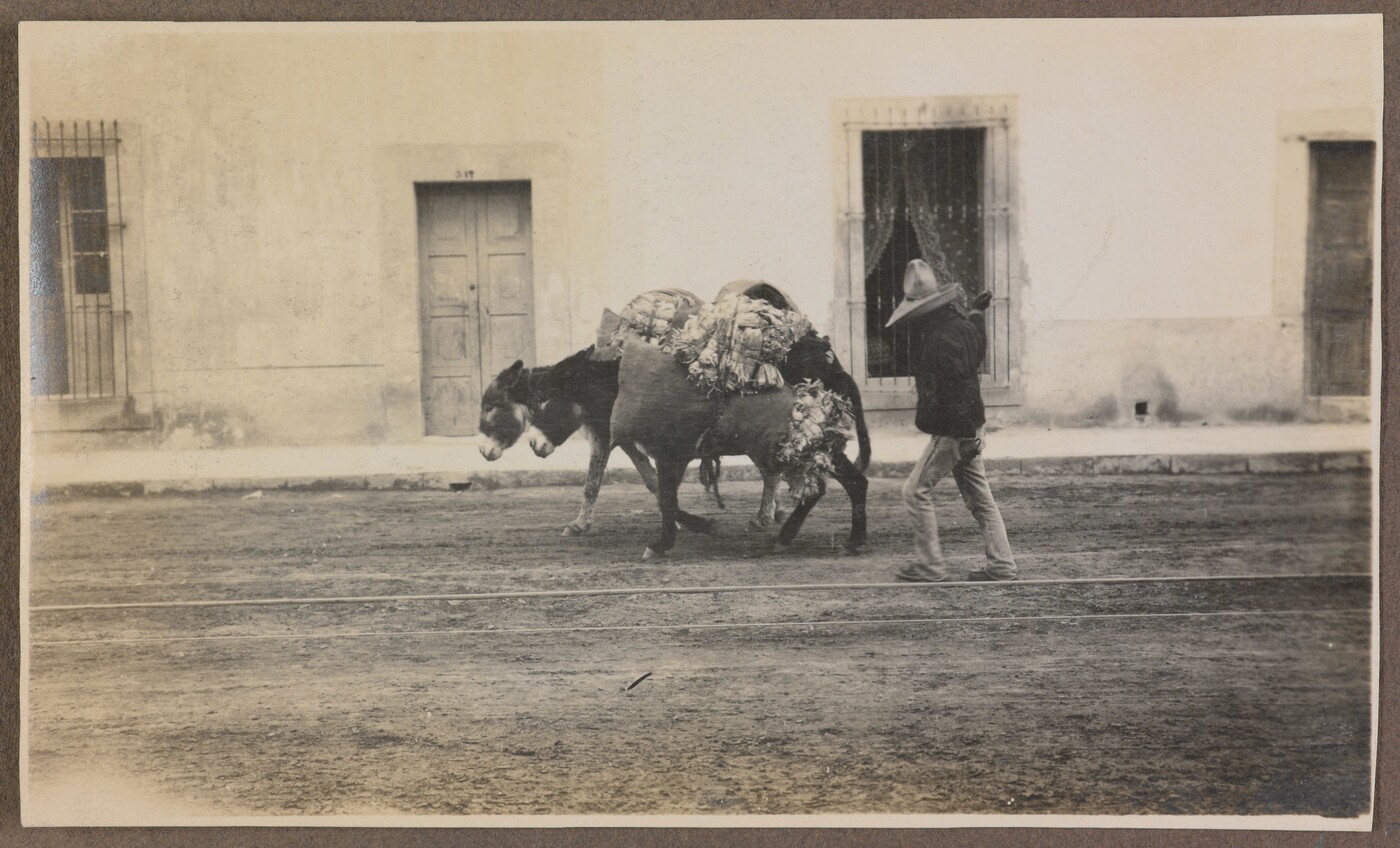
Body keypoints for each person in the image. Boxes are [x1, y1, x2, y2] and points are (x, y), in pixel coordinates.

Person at [888, 258, 1018, 583]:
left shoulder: (937, 340)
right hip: (971, 425)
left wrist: (961, 438)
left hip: (954, 430)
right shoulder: (960, 326)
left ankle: (930, 566)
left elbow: (956, 388)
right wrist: (977, 313)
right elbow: (977, 347)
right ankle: (1002, 565)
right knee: (980, 497)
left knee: (914, 491)